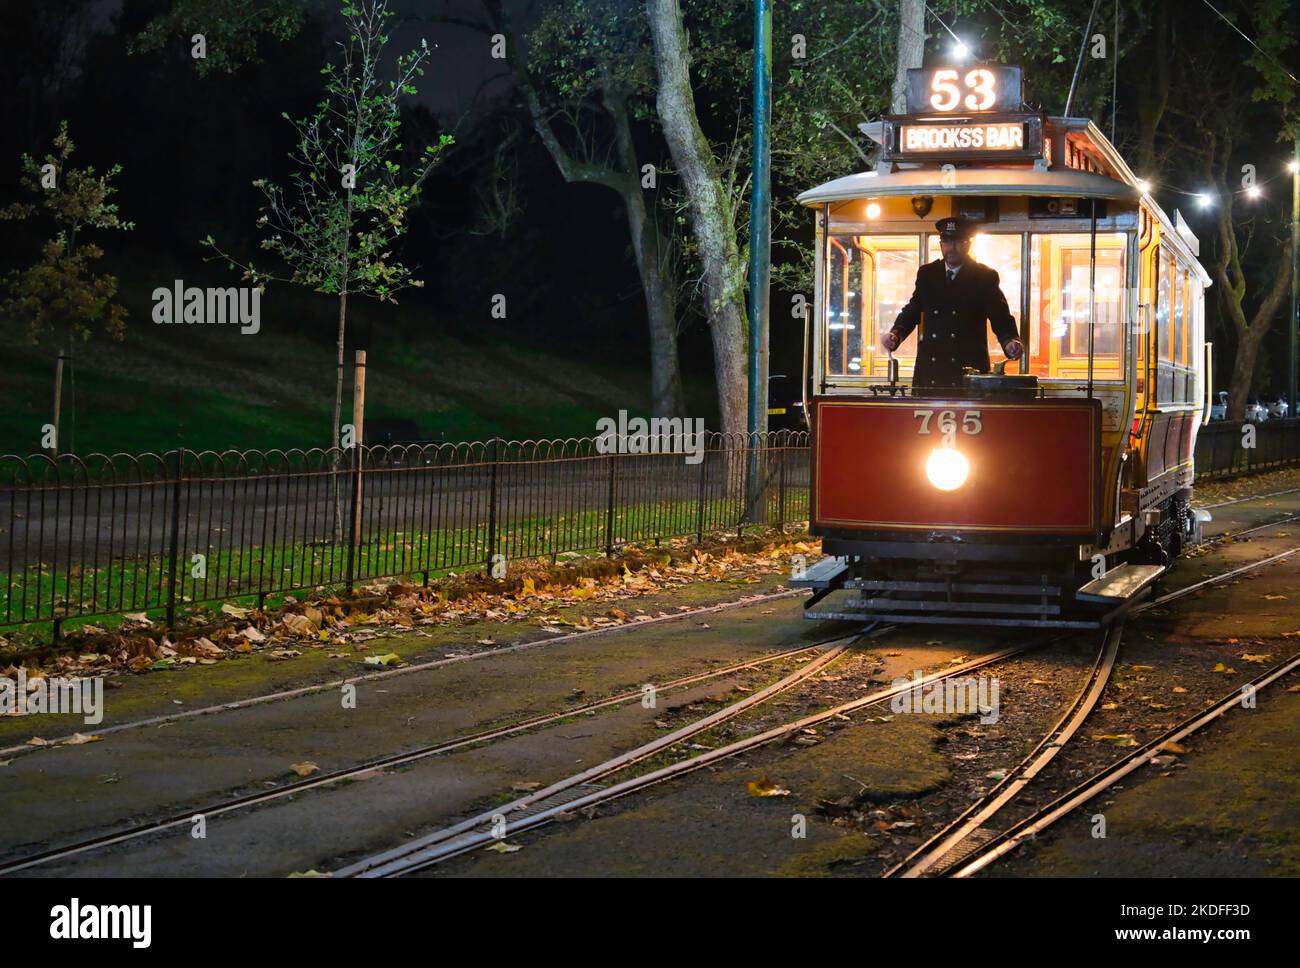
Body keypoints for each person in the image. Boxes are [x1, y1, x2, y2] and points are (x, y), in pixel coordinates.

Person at [880, 217, 1024, 389]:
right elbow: (914, 308)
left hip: (968, 371)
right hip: (931, 370)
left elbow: (1000, 316)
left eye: (957, 242)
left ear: (967, 245)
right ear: (941, 244)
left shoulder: (984, 276)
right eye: (947, 242)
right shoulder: (928, 274)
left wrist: (1010, 341)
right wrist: (896, 334)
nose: (951, 248)